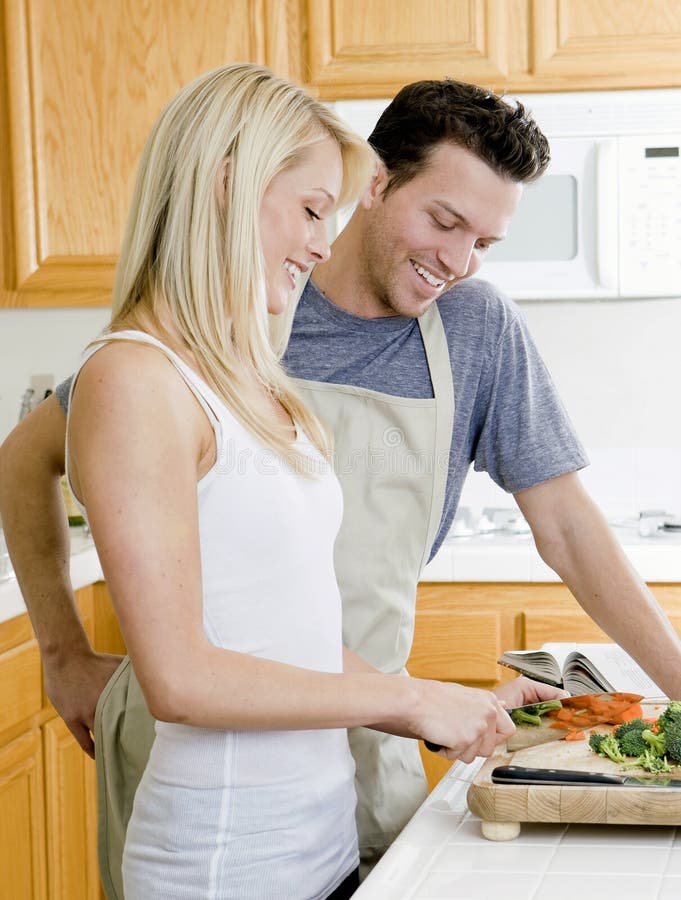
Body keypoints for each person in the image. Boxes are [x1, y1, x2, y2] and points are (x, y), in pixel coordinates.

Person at [3, 74, 679, 887]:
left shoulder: (436, 332)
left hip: (353, 742)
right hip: (211, 769)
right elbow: (29, 461)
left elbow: (566, 523)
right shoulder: (204, 341)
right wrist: (63, 650)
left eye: (484, 243)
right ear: (376, 183)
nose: (459, 262)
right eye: (443, 220)